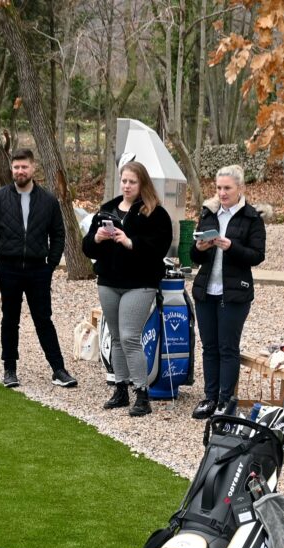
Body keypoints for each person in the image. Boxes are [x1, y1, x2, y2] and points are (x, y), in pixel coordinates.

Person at [0, 148, 78, 389]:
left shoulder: (49, 201)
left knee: (44, 320)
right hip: (7, 269)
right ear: (11, 169)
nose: (20, 171)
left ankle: (58, 369)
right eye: (16, 167)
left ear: (33, 168)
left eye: (24, 167)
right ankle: (9, 369)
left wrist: (50, 265)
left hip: (38, 270)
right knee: (9, 320)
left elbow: (58, 234)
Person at [81, 161, 173, 416]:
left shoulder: (155, 213)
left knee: (130, 336)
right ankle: (120, 388)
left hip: (140, 283)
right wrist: (96, 238)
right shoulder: (107, 210)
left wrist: (130, 242)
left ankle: (142, 394)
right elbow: (87, 248)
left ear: (142, 184)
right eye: (124, 181)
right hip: (109, 281)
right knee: (116, 337)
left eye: (132, 182)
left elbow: (160, 248)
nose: (127, 186)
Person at [189, 164, 266, 419]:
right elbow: (193, 256)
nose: (222, 193)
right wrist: (199, 248)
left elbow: (257, 256)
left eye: (227, 188)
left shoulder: (252, 217)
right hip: (205, 291)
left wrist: (231, 246)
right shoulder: (208, 213)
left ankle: (225, 401)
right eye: (219, 188)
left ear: (240, 188)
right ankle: (210, 398)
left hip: (234, 293)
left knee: (227, 347)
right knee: (209, 347)